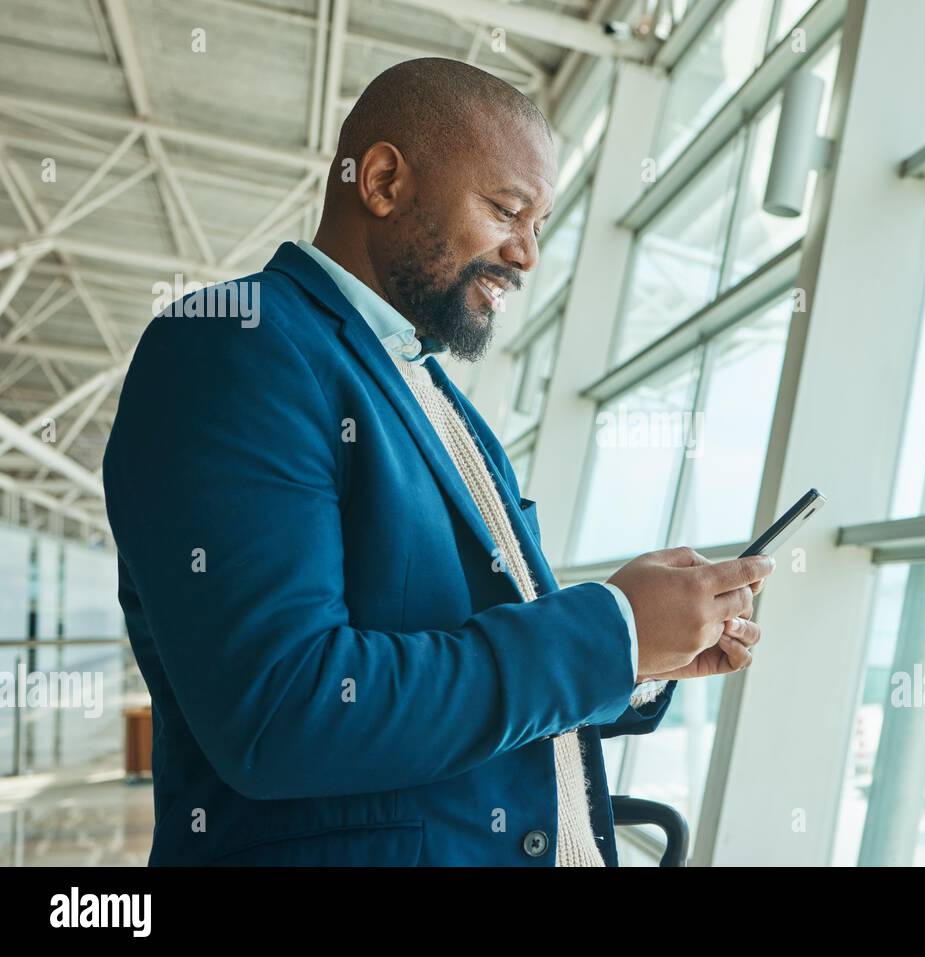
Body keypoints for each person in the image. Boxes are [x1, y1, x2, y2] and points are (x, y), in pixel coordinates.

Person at [103, 57, 772, 867]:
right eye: (507, 209)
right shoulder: (231, 345)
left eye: (541, 224)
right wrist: (613, 631)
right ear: (382, 180)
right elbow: (285, 709)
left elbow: (461, 668)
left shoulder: (434, 395)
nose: (527, 255)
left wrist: (642, 658)